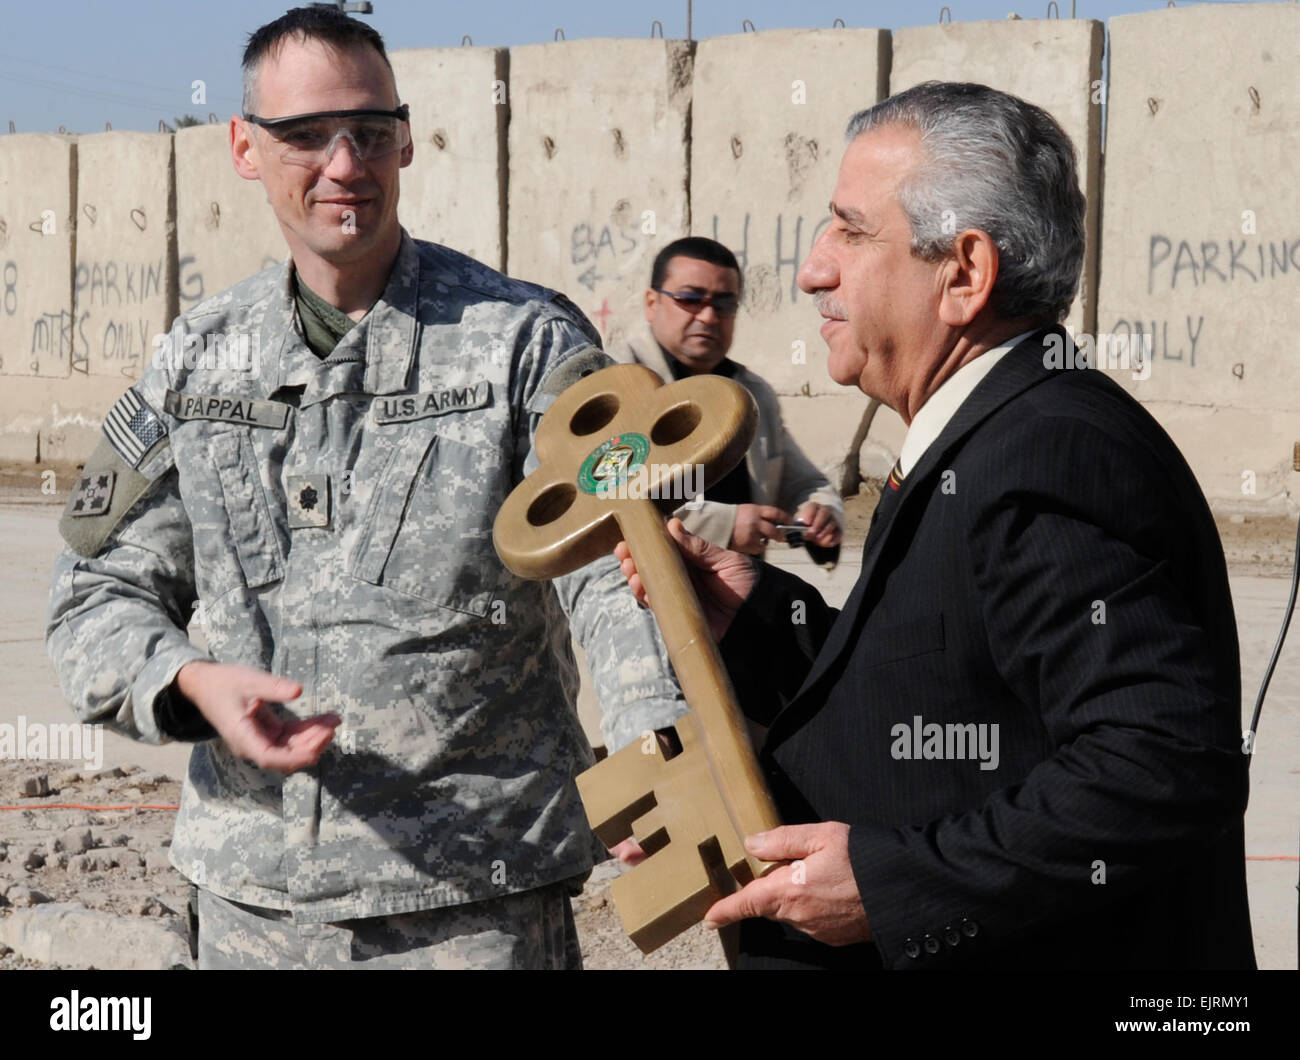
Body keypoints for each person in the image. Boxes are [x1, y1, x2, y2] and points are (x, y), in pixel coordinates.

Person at [45, 6, 684, 970]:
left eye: (370, 133)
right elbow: (96, 591)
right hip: (251, 908)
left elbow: (615, 565)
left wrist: (650, 748)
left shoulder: (525, 344)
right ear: (244, 148)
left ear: (405, 142)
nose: (344, 164)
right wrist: (186, 683)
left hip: (476, 904)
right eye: (306, 135)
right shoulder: (196, 363)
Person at [616, 82, 1255, 970]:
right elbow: (950, 696)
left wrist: (890, 884)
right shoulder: (987, 432)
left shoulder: (1049, 454)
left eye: (850, 230)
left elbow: (1161, 767)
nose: (811, 269)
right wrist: (757, 616)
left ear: (963, 272)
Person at [613, 237, 843, 558]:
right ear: (652, 303)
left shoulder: (752, 394)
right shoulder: (612, 387)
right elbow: (613, 494)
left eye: (724, 304)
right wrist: (724, 525)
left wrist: (821, 511)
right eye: (690, 299)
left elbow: (801, 482)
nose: (708, 317)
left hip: (739, 597)